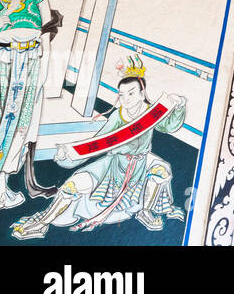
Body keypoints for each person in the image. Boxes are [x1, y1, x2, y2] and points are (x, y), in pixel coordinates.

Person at [11, 55, 188, 239]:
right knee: (72, 187)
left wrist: (179, 106)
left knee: (161, 172)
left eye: (131, 93)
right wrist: (67, 157)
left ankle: (145, 211)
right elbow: (96, 144)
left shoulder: (151, 113)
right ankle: (42, 224)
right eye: (121, 94)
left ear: (142, 93)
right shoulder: (117, 117)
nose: (125, 99)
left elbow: (169, 126)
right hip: (114, 165)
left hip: (142, 162)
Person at [0, 0, 57, 210]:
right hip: (1, 61)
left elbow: (47, 27)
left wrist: (45, 67)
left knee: (22, 122)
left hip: (30, 60)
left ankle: (0, 187)